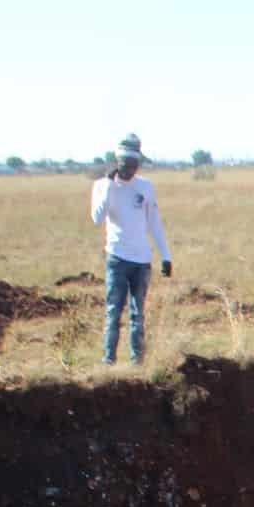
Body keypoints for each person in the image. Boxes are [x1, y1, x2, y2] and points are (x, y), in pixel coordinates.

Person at [90, 133, 172, 364]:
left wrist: (166, 256)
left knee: (138, 314)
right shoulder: (102, 186)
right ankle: (109, 361)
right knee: (114, 311)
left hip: (142, 261)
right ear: (118, 162)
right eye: (127, 164)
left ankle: (138, 362)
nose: (131, 169)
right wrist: (109, 186)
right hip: (117, 258)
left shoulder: (145, 187)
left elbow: (154, 222)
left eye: (135, 164)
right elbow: (97, 218)